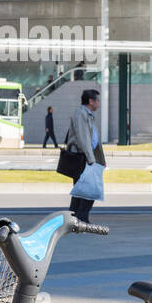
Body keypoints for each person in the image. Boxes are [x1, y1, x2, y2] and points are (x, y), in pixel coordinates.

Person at [64, 89, 105, 222]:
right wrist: (91, 159)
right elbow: (83, 139)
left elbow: (94, 140)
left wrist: (100, 160)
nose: (99, 103)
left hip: (88, 156)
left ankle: (74, 219)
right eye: (97, 100)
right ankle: (81, 218)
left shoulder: (88, 115)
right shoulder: (81, 114)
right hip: (81, 157)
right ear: (90, 101)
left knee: (81, 190)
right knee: (88, 189)